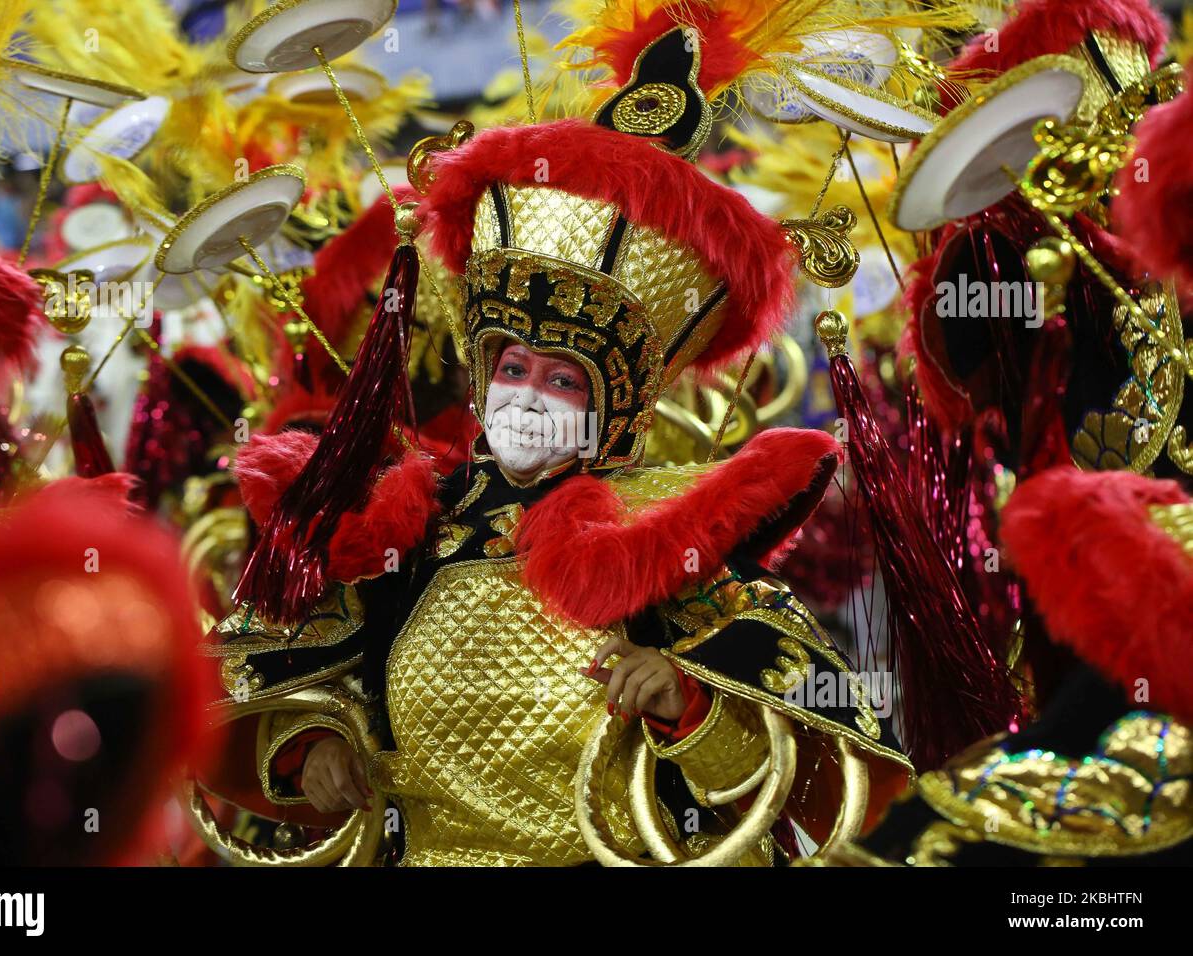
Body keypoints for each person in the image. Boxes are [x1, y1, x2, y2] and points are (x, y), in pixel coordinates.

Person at [198, 15, 914, 867]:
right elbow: (281, 672)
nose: (528, 398)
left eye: (563, 377)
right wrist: (311, 748)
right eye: (513, 368)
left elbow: (795, 737)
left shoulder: (668, 525)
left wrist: (689, 702)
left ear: (617, 403)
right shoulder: (413, 518)